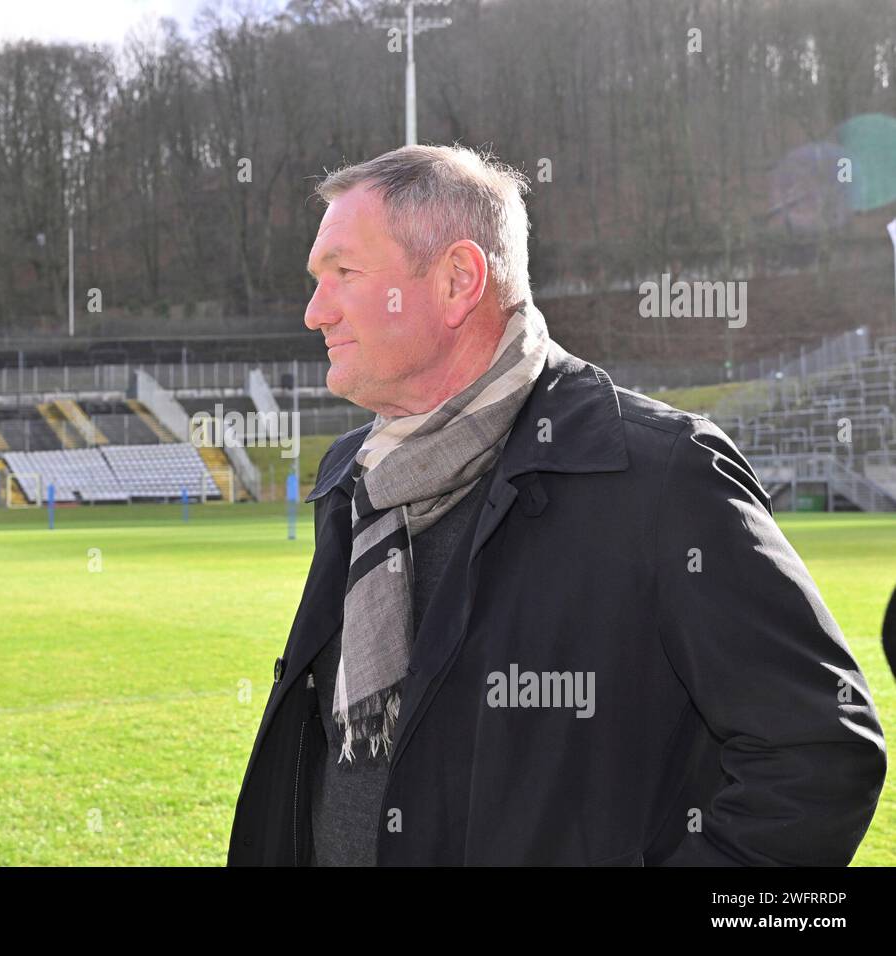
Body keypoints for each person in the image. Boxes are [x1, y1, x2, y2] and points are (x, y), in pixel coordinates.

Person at [226, 143, 887, 866]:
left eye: (343, 274)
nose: (314, 311)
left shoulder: (656, 471)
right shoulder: (354, 476)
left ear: (457, 281)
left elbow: (817, 749)